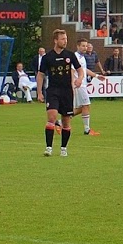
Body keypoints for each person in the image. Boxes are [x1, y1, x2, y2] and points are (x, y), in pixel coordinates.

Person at [38, 28, 83, 157]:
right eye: (63, 39)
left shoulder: (70, 55)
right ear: (55, 40)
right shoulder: (47, 57)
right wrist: (40, 92)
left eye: (66, 39)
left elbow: (80, 70)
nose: (65, 41)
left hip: (67, 92)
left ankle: (63, 148)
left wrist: (79, 79)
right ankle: (48, 147)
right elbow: (40, 75)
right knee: (51, 117)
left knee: (66, 121)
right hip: (52, 90)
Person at [74, 40, 107, 136]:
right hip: (79, 85)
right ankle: (87, 130)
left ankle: (60, 122)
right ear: (78, 46)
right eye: (83, 46)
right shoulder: (75, 57)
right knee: (86, 105)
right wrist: (73, 82)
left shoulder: (82, 57)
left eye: (86, 46)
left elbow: (84, 70)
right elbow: (72, 70)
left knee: (82, 108)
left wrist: (97, 76)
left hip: (82, 84)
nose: (85, 48)